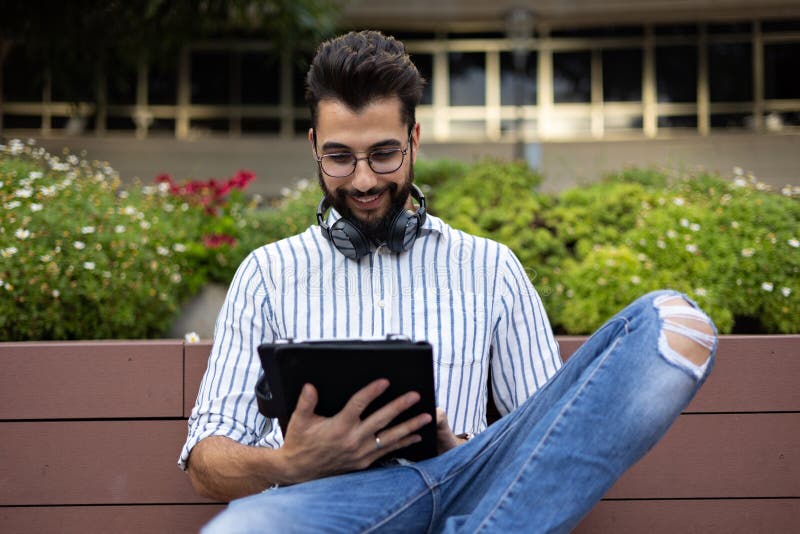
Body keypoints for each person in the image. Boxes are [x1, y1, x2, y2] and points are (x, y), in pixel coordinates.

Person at [180, 30, 717, 533]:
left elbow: (549, 441)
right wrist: (292, 463)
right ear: (314, 146)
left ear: (414, 139)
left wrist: (453, 448)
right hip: (318, 505)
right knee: (241, 528)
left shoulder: (491, 269)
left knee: (673, 321)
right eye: (339, 158)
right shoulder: (267, 275)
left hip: (454, 488)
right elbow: (206, 462)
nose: (363, 180)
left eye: (384, 153)